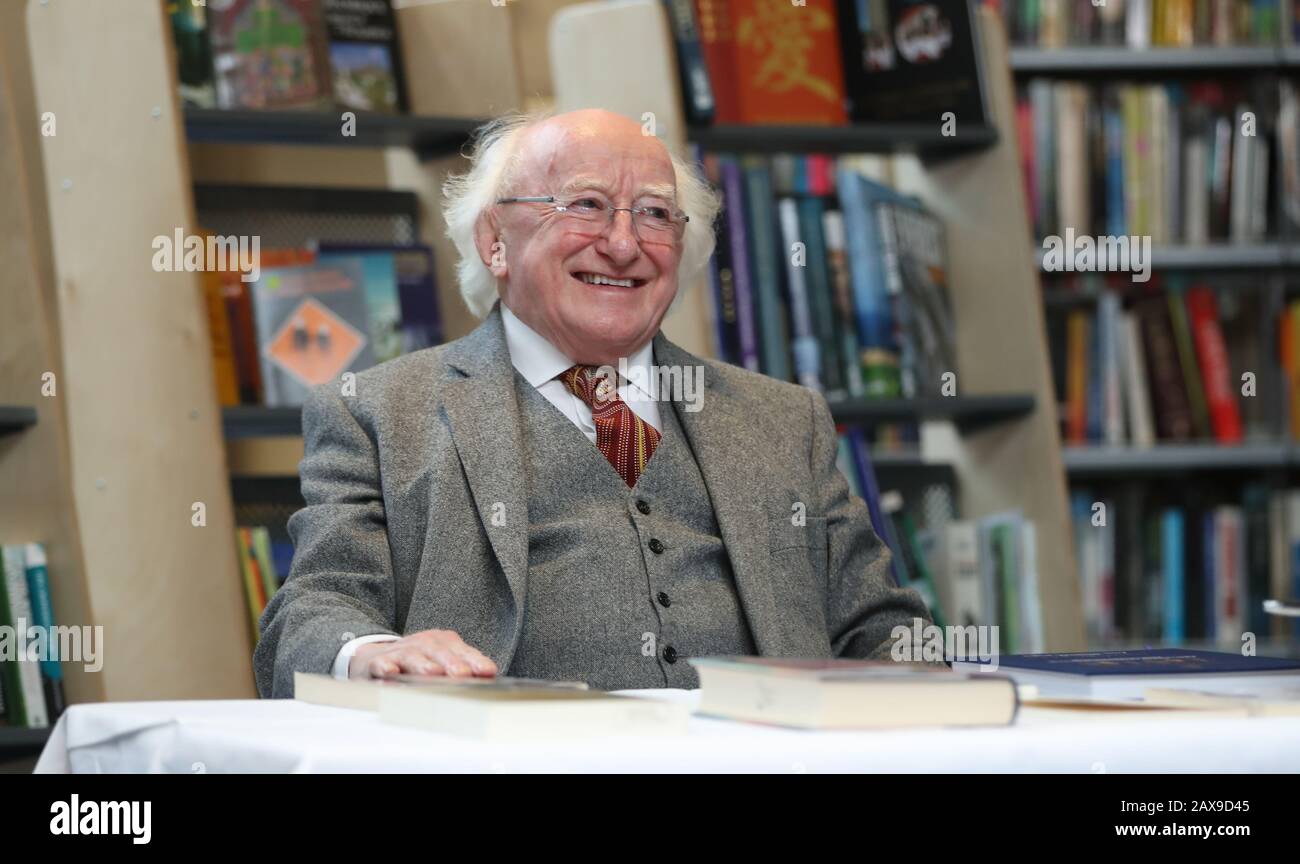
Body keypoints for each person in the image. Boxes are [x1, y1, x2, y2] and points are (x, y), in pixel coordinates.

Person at [253, 109, 931, 698]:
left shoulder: (783, 419)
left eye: (655, 214)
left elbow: (879, 625)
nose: (624, 243)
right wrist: (369, 654)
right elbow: (310, 612)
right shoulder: (376, 413)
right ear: (495, 242)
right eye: (586, 206)